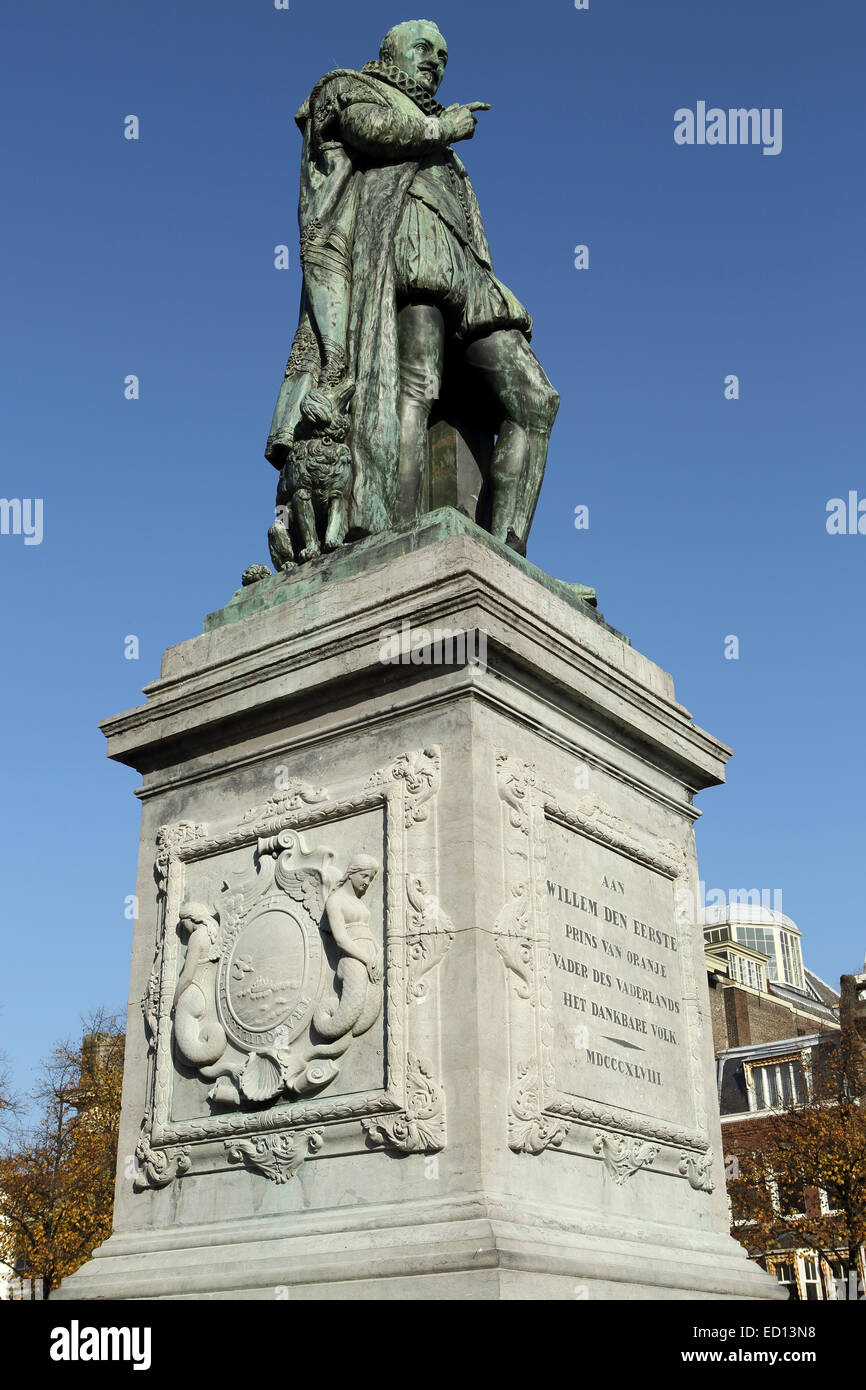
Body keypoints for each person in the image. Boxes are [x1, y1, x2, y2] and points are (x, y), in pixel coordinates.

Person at [266, 19, 559, 558]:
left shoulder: (442, 143)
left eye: (443, 56)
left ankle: (507, 552)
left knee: (536, 400)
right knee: (418, 387)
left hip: (466, 271)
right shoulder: (347, 87)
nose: (435, 62)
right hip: (406, 256)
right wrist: (439, 129)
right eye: (424, 49)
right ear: (390, 52)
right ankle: (397, 534)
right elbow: (366, 128)